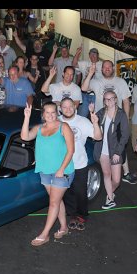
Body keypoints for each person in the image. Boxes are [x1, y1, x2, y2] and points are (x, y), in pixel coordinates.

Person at [20, 101, 74, 247]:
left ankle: (44, 235)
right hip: (45, 170)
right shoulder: (39, 128)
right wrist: (27, 117)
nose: (50, 115)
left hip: (62, 172)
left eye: (53, 112)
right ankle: (64, 227)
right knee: (56, 200)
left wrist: (61, 169)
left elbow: (71, 150)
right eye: (47, 112)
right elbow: (25, 136)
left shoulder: (64, 127)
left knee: (53, 202)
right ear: (43, 114)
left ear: (57, 113)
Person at [58, 98, 95, 231]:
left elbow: (97, 136)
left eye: (70, 106)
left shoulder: (83, 121)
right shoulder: (56, 121)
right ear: (60, 108)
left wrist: (95, 123)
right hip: (63, 165)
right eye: (64, 107)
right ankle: (72, 215)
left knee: (80, 192)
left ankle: (82, 215)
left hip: (79, 163)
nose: (68, 109)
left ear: (75, 106)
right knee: (67, 191)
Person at [90, 90, 129, 210]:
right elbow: (93, 124)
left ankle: (109, 193)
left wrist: (118, 152)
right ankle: (110, 199)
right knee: (107, 175)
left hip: (115, 150)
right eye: (107, 99)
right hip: (102, 150)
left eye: (112, 98)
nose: (109, 101)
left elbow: (125, 135)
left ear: (116, 99)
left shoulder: (121, 114)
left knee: (116, 179)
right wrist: (91, 112)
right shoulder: (101, 112)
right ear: (104, 101)